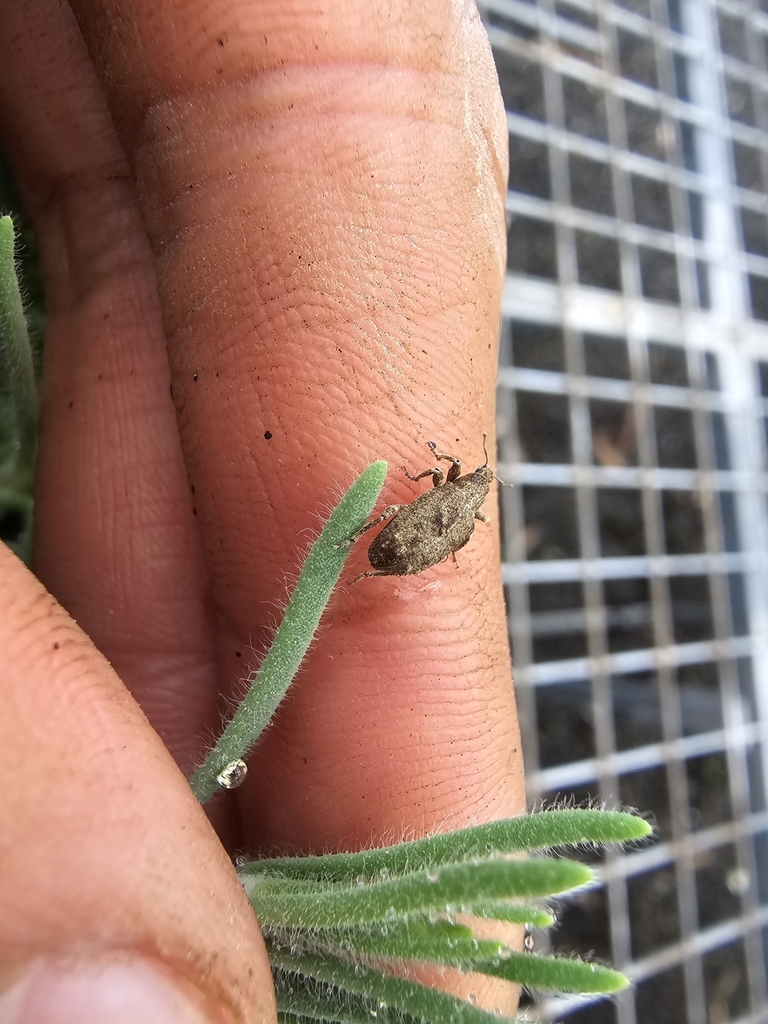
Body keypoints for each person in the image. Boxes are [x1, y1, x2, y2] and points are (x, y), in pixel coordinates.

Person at [0, 2, 523, 1021]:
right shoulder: (446, 510)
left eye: (461, 493)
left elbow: (427, 518)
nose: (461, 492)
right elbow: (430, 513)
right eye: (464, 490)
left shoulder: (441, 513)